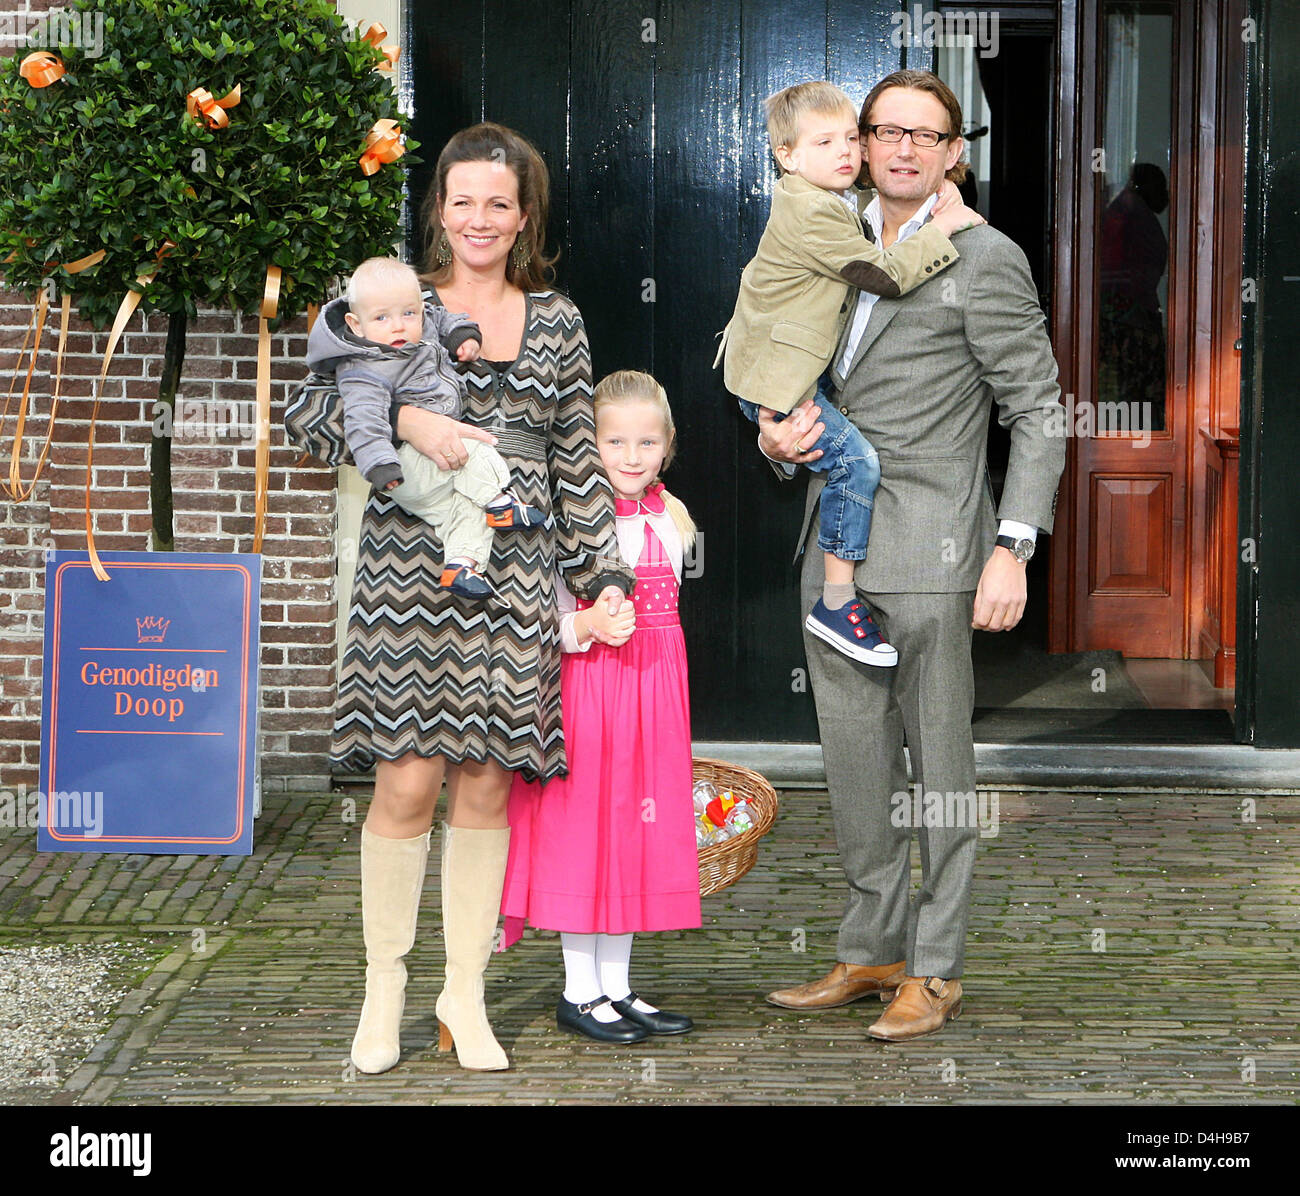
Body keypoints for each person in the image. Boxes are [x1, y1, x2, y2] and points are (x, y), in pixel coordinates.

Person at [759, 70, 1066, 1041]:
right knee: (853, 765)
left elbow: (1038, 411)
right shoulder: (827, 234)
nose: (899, 149)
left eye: (923, 136)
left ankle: (934, 969)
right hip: (834, 549)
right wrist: (775, 438)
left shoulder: (985, 257)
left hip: (937, 551)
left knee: (938, 771)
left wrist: (1011, 545)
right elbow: (791, 366)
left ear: (952, 153)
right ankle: (873, 946)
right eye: (883, 130)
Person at [333, 123, 636, 1074]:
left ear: (524, 216)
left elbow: (580, 459)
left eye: (498, 203)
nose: (479, 218)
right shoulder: (393, 300)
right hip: (409, 573)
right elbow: (315, 405)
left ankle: (463, 996)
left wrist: (604, 577)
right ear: (438, 209)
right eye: (461, 199)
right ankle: (384, 990)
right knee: (407, 780)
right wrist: (408, 415)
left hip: (513, 574)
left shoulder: (557, 321)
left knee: (487, 781)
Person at [716, 81, 982, 667]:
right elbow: (882, 274)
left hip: (777, 375)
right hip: (775, 380)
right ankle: (838, 601)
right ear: (785, 155)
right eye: (825, 141)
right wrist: (943, 230)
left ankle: (838, 597)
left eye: (851, 139)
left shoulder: (823, 201)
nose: (847, 152)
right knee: (856, 461)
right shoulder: (813, 212)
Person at [499, 370, 701, 1043]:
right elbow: (532, 621)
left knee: (636, 832)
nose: (632, 455)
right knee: (588, 832)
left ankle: (617, 987)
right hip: (590, 690)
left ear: (667, 447)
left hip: (654, 687)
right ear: (588, 446)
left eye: (647, 441)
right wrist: (583, 627)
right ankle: (578, 991)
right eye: (615, 440)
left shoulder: (672, 519)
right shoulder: (571, 526)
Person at [306, 256, 547, 600]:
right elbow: (361, 422)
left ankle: (461, 565)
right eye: (381, 318)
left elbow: (440, 318)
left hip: (429, 477)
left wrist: (463, 336)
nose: (399, 326)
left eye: (408, 313)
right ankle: (499, 501)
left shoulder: (422, 322)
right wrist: (382, 461)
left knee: (463, 511)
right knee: (474, 449)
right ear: (355, 324)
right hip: (405, 463)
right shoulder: (365, 368)